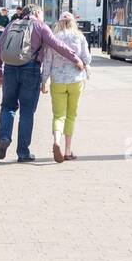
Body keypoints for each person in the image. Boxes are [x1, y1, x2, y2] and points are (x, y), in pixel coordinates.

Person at [0, 5, 84, 162]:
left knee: (8, 106)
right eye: (41, 14)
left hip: (10, 69)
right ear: (35, 13)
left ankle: (4, 138)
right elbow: (57, 45)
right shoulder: (40, 26)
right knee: (27, 112)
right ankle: (23, 153)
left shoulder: (11, 25)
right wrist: (75, 58)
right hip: (31, 70)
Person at [43, 11, 92, 163]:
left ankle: (56, 141)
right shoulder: (79, 36)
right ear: (73, 22)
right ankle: (67, 150)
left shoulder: (54, 38)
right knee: (71, 115)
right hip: (76, 80)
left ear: (59, 22)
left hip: (57, 80)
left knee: (59, 115)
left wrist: (44, 80)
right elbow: (87, 58)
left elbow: (48, 61)